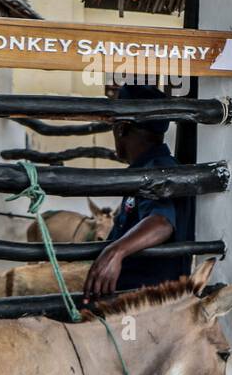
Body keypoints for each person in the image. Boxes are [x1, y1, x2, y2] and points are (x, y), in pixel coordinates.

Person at [83, 83, 195, 297]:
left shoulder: (156, 170)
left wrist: (115, 251)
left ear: (121, 128)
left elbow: (161, 224)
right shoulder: (150, 168)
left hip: (144, 304)